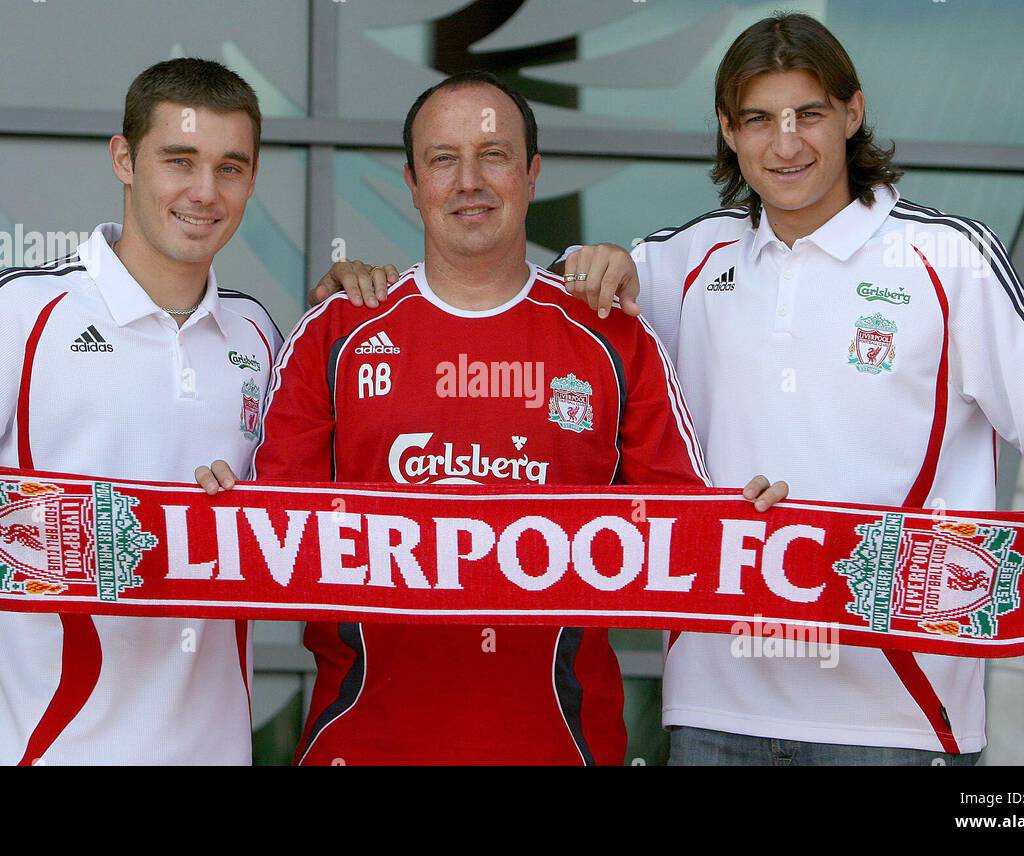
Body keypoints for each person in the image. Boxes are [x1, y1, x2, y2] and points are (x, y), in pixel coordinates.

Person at [320, 14, 1024, 766]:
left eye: (807, 114)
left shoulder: (949, 260)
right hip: (716, 711)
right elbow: (518, 304)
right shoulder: (683, 262)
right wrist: (364, 291)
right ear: (728, 132)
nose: (786, 143)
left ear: (852, 113)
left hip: (896, 714)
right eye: (757, 120)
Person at [196, 70, 785, 765]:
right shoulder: (338, 331)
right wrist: (213, 512)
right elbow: (271, 539)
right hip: (364, 743)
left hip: (561, 747)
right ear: (414, 183)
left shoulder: (612, 335)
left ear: (532, 174)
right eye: (444, 160)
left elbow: (684, 541)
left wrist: (753, 532)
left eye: (494, 155)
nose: (469, 181)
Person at [0, 58, 282, 765]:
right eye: (179, 160)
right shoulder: (24, 308)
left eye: (230, 167)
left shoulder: (258, 334)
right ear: (124, 158)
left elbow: (309, 511)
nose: (205, 192)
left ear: (253, 178)